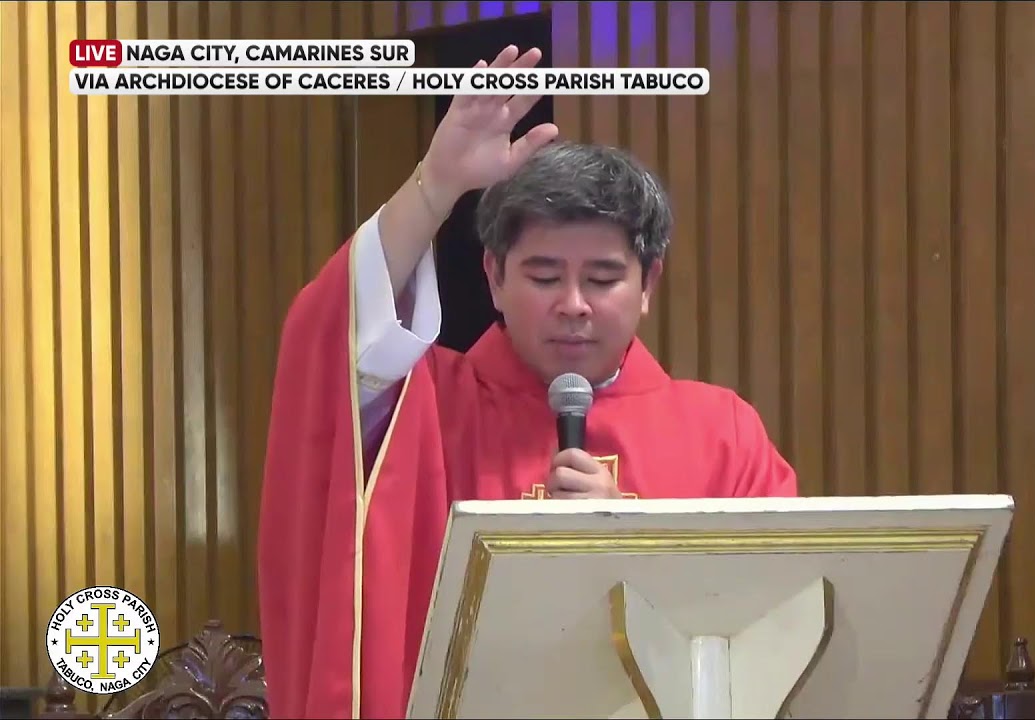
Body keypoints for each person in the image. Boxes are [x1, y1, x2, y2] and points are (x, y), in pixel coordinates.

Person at [256, 46, 797, 720]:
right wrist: (436, 186)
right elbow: (332, 340)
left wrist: (643, 539)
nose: (573, 303)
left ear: (648, 284)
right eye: (544, 276)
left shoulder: (723, 433)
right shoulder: (423, 406)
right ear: (493, 276)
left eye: (602, 278)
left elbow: (778, 618)